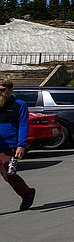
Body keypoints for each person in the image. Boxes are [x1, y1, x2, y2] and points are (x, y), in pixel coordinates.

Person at [0, 79, 36, 211]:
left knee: (9, 175)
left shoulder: (19, 105)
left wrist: (21, 145)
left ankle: (27, 194)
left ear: (10, 90)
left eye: (2, 90)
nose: (0, 93)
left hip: (8, 146)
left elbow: (23, 125)